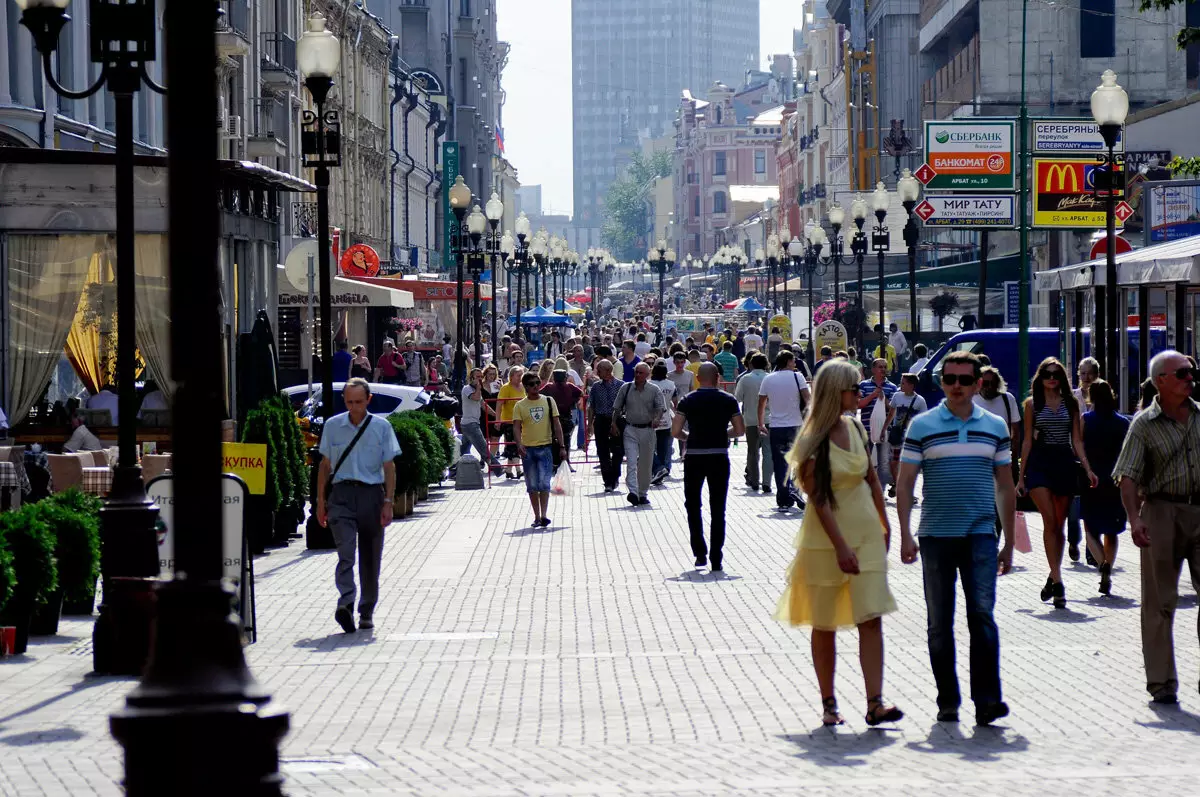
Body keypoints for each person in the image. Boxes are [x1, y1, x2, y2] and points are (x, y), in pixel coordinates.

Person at [775, 360, 902, 727]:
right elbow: (819, 499)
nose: (857, 394)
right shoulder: (813, 437)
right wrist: (841, 546)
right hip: (826, 542)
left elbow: (872, 480)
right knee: (825, 622)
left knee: (872, 616)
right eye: (852, 389)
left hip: (866, 533)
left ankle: (875, 701)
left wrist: (885, 522)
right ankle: (829, 702)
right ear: (836, 392)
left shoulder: (856, 429)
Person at [896, 351, 1016, 726]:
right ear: (942, 382)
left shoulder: (995, 426)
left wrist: (1009, 540)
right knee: (939, 622)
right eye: (951, 380)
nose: (958, 387)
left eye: (966, 380)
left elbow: (1006, 487)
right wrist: (904, 533)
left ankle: (987, 701)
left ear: (979, 383)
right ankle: (948, 699)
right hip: (934, 535)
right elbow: (904, 483)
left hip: (981, 533)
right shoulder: (922, 425)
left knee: (982, 616)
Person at [1113, 351, 1200, 704]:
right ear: (1160, 380)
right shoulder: (1143, 424)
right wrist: (1135, 519)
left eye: (1192, 372)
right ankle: (1162, 683)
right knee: (1159, 602)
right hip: (1161, 510)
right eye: (1181, 373)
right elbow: (1128, 476)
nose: (1189, 377)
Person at [316, 378, 401, 633]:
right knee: (345, 553)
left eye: (359, 402)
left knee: (370, 557)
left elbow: (389, 466)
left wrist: (388, 501)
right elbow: (324, 465)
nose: (354, 407)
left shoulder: (382, 427)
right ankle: (346, 601)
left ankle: (366, 611)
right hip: (341, 495)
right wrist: (320, 501)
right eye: (350, 402)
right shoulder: (333, 426)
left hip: (372, 496)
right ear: (344, 400)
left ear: (369, 400)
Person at [1017, 357, 1097, 609]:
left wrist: (1087, 468)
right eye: (1046, 374)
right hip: (1040, 463)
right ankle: (1059, 581)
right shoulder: (1032, 404)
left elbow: (1077, 440)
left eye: (1055, 374)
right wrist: (1021, 475)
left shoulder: (1072, 403)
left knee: (1059, 526)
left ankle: (1053, 576)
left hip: (1063, 461)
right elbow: (1027, 440)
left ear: (1061, 377)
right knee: (1050, 521)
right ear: (1040, 378)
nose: (1051, 378)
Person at [674, 363, 744, 572]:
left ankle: (700, 553)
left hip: (694, 456)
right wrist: (724, 434)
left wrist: (688, 438)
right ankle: (716, 557)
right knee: (718, 508)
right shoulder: (728, 400)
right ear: (717, 377)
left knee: (693, 505)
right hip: (719, 456)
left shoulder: (688, 400)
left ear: (697, 377)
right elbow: (739, 430)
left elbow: (676, 430)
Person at [1078, 379, 1129, 595]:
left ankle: (1103, 566)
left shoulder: (1086, 420)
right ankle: (1108, 562)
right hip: (1114, 480)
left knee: (1090, 527)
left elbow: (1078, 446)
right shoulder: (1123, 422)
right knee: (1112, 529)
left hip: (1092, 479)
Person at [513, 370, 568, 528]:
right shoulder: (520, 405)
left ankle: (544, 515)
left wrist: (562, 446)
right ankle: (536, 516)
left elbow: (556, 424)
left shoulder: (549, 401)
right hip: (528, 449)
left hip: (545, 447)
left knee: (544, 483)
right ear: (526, 387)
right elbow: (516, 427)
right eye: (532, 384)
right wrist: (519, 444)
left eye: (538, 383)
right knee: (532, 485)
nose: (536, 386)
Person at [758, 351, 811, 511]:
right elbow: (808, 400)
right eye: (793, 360)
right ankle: (795, 489)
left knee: (780, 463)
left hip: (776, 426)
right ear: (788, 361)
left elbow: (761, 403)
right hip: (795, 425)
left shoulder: (768, 378)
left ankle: (783, 498)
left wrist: (761, 423)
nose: (795, 363)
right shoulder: (798, 377)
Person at [613, 362, 665, 506]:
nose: (637, 375)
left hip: (647, 430)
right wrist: (613, 424)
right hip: (630, 429)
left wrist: (656, 419)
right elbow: (616, 408)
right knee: (631, 462)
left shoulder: (654, 390)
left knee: (645, 464)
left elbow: (661, 408)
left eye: (641, 373)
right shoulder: (626, 387)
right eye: (636, 372)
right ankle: (633, 492)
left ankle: (643, 493)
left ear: (647, 375)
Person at [735, 352, 773, 493]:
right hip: (769, 419)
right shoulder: (770, 378)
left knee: (752, 451)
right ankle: (767, 482)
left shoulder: (745, 379)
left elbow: (737, 398)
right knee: (768, 451)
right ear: (766, 364)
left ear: (751, 363)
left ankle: (754, 480)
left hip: (750, 419)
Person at [885, 374, 927, 497]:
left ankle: (907, 492)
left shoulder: (920, 401)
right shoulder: (897, 396)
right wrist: (884, 429)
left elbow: (922, 421)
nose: (901, 385)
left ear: (911, 385)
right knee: (893, 463)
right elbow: (891, 414)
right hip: (897, 435)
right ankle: (898, 485)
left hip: (911, 438)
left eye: (903, 383)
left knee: (907, 465)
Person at [858, 359, 898, 489]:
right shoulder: (863, 385)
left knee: (883, 462)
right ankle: (866, 488)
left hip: (884, 430)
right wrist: (872, 395)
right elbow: (858, 404)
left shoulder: (892, 387)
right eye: (880, 367)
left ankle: (880, 491)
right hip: (866, 429)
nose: (883, 369)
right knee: (865, 460)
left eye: (885, 367)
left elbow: (892, 410)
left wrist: (884, 399)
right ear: (873, 369)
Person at [587, 359, 625, 492]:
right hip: (601, 420)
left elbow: (626, 406)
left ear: (608, 371)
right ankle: (608, 481)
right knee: (602, 451)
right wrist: (589, 424)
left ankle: (615, 476)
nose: (597, 372)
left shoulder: (621, 385)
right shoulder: (596, 387)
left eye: (599, 370)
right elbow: (591, 406)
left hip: (617, 420)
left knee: (618, 450)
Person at [541, 367, 583, 469]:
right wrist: (574, 400)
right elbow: (581, 393)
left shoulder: (549, 387)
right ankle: (565, 462)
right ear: (565, 378)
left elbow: (539, 394)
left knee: (553, 441)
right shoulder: (569, 386)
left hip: (552, 418)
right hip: (566, 417)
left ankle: (554, 463)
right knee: (566, 441)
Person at [460, 368, 498, 471]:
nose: (480, 379)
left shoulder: (477, 391)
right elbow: (476, 398)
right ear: (472, 378)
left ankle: (454, 468)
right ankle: (497, 467)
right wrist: (478, 388)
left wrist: (496, 415)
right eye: (478, 377)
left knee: (463, 449)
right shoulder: (466, 388)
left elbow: (483, 405)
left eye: (481, 377)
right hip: (470, 423)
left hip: (472, 422)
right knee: (483, 447)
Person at [649, 362, 678, 484]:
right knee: (663, 449)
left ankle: (658, 470)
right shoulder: (671, 385)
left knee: (649, 448)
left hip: (651, 420)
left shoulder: (649, 384)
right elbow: (675, 402)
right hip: (666, 420)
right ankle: (659, 472)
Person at [498, 366, 526, 479]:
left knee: (514, 445)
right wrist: (498, 419)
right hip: (509, 421)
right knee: (514, 445)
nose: (520, 378)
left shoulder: (523, 387)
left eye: (521, 375)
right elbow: (499, 404)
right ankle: (519, 470)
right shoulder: (506, 388)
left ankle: (509, 470)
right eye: (518, 375)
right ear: (511, 376)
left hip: (521, 421)